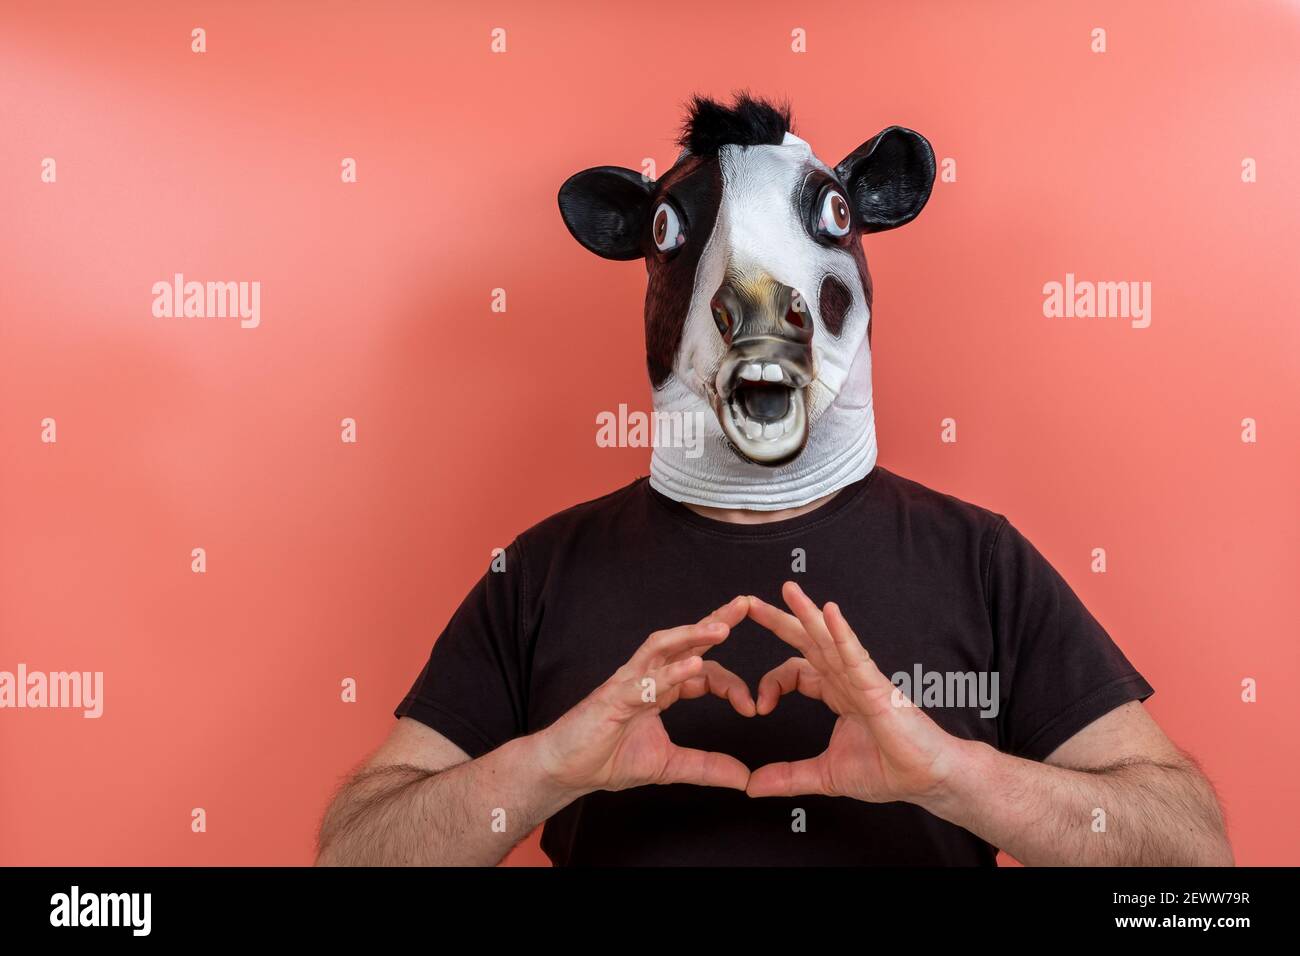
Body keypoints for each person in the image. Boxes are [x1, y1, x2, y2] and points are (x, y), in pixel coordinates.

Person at [316, 94, 1231, 866]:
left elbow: (1191, 848)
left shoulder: (980, 560)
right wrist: (548, 765)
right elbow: (356, 849)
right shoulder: (543, 572)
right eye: (677, 234)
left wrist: (954, 775)